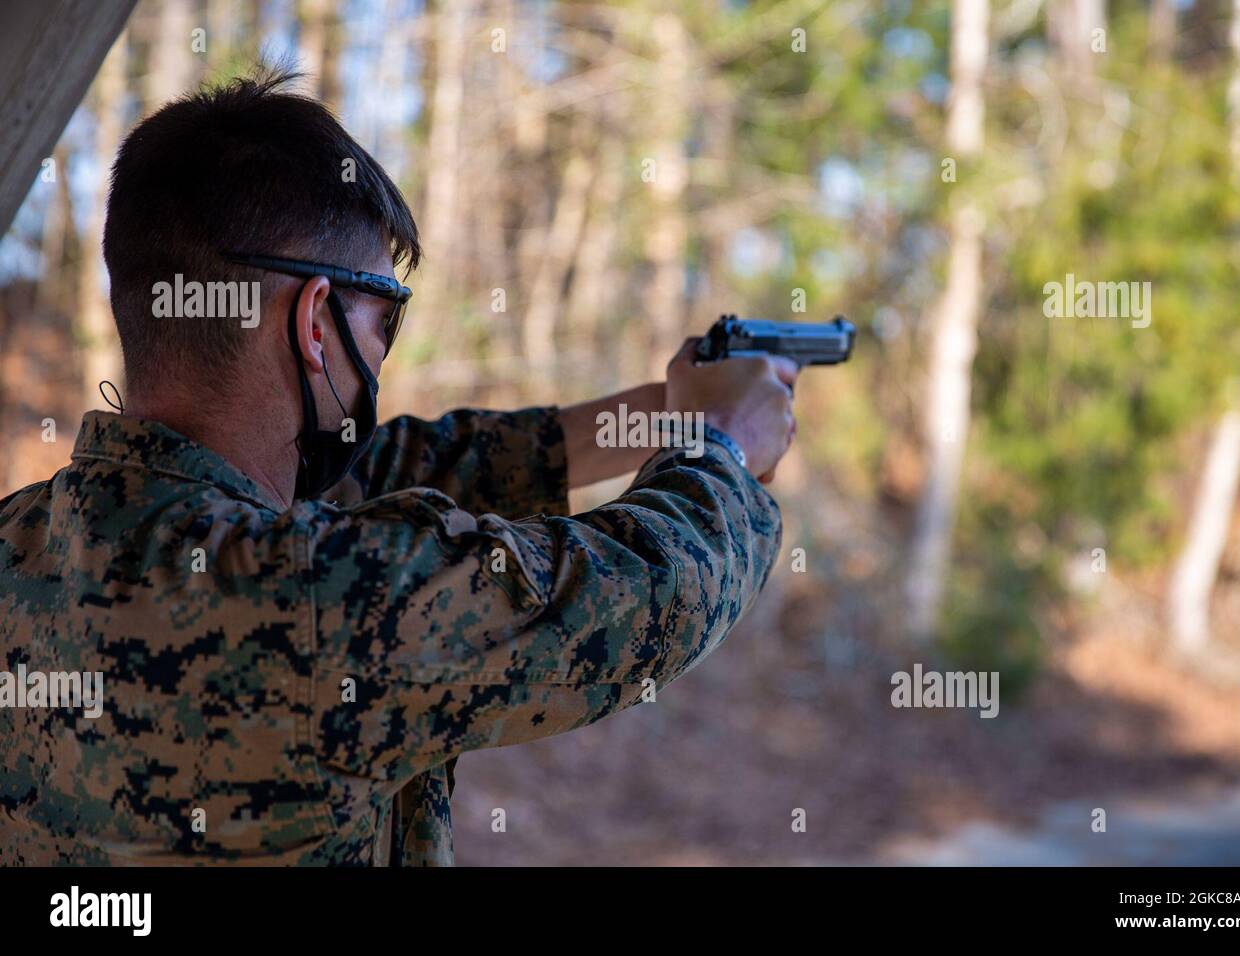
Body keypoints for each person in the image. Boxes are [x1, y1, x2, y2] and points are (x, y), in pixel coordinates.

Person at [0, 70, 797, 865]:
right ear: (315, 322)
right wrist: (724, 447)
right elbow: (647, 593)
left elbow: (397, 466)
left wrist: (670, 409)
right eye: (385, 316)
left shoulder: (23, 546)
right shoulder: (323, 599)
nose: (380, 353)